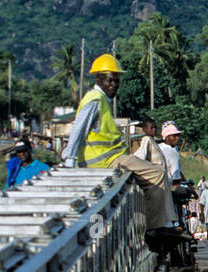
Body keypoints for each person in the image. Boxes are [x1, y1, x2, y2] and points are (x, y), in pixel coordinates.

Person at [62, 54, 176, 235]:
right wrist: (69, 159)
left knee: (151, 173)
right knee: (156, 174)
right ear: (99, 79)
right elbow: (78, 130)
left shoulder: (102, 101)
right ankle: (157, 226)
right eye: (109, 80)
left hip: (111, 159)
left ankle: (160, 223)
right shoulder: (94, 100)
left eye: (116, 81)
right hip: (106, 161)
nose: (113, 85)